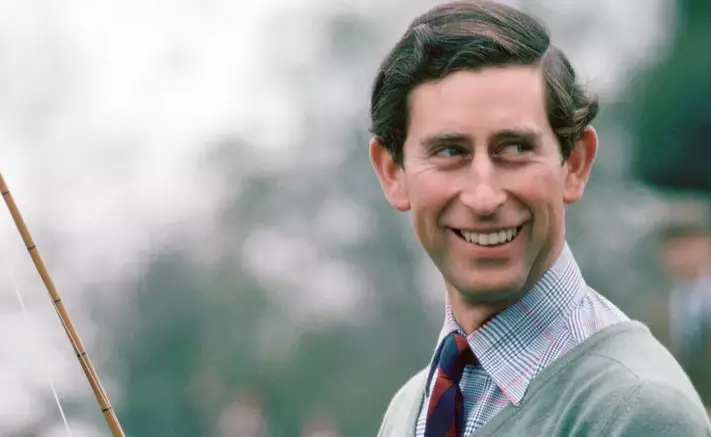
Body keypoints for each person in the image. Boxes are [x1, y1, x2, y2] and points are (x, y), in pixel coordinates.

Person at [366, 1, 711, 436]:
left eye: (515, 149)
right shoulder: (410, 410)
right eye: (450, 152)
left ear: (576, 163)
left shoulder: (635, 410)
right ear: (392, 173)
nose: (485, 196)